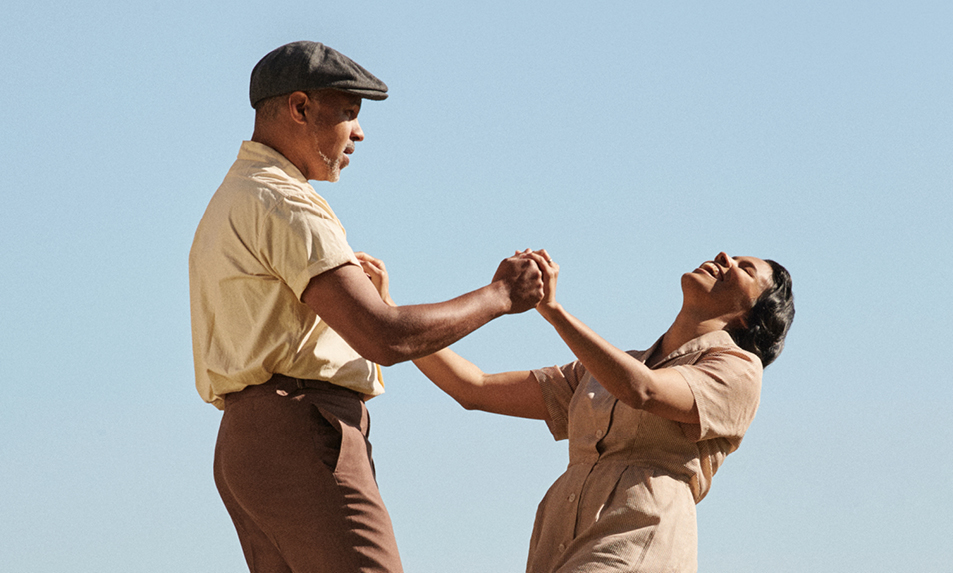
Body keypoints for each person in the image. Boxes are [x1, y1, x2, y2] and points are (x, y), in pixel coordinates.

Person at [188, 41, 543, 573]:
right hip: (304, 429)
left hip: (249, 441)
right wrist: (500, 296)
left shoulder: (235, 195)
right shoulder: (284, 200)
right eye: (348, 113)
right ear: (300, 108)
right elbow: (384, 337)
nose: (358, 132)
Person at [371, 249, 793, 572]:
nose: (723, 257)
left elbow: (643, 390)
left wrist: (552, 310)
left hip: (638, 539)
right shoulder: (602, 370)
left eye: (744, 267)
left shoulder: (738, 369)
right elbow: (473, 388)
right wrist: (390, 312)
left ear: (749, 317)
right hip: (557, 539)